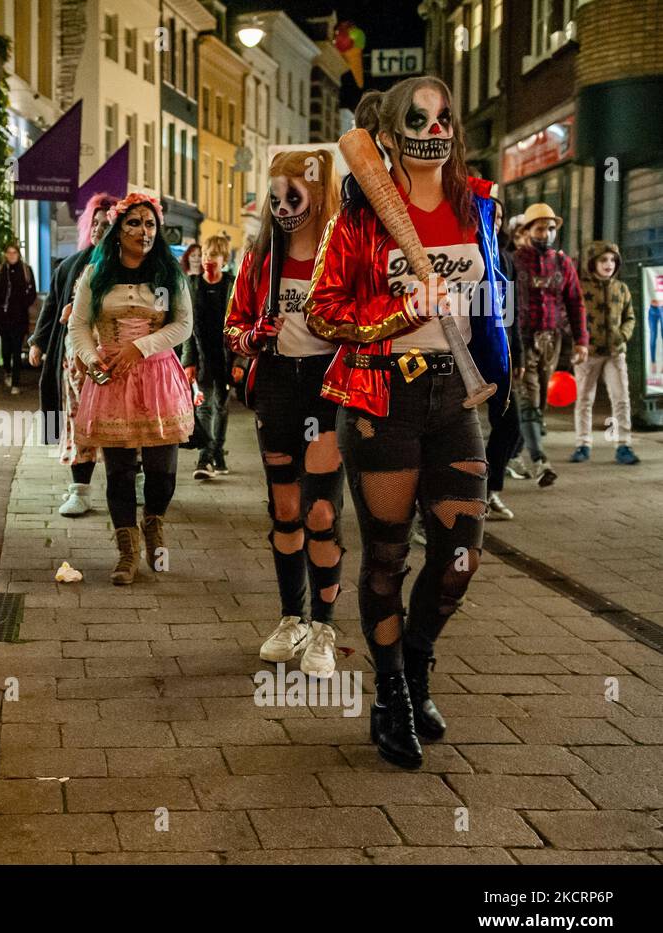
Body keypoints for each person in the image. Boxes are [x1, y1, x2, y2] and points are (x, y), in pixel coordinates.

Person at [305, 77, 510, 769]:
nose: (435, 127)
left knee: (461, 557)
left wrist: (503, 373)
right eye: (418, 117)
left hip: (456, 396)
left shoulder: (476, 206)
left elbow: (489, 305)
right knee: (387, 555)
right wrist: (402, 311)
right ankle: (392, 695)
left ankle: (416, 663)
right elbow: (322, 312)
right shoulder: (359, 217)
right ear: (390, 133)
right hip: (378, 396)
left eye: (446, 116)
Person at [226, 148, 344, 679]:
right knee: (285, 509)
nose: (282, 205)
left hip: (328, 386)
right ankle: (291, 617)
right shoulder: (260, 257)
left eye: (292, 194)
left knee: (321, 512)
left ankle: (324, 626)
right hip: (276, 384)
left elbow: (369, 315)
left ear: (318, 194)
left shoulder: (343, 251)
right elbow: (232, 326)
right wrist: (254, 337)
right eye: (274, 196)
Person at [68, 193, 194, 585]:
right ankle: (127, 553)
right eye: (134, 224)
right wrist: (92, 361)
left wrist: (140, 348)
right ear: (117, 231)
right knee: (120, 472)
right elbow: (77, 325)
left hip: (157, 376)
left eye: (151, 224)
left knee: (162, 471)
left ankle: (154, 521)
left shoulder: (167, 274)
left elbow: (182, 325)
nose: (144, 232)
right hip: (111, 380)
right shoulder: (96, 273)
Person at [28, 193, 116, 516]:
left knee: (121, 425)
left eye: (106, 224)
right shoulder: (71, 266)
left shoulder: (129, 268)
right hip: (74, 366)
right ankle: (79, 489)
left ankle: (132, 480)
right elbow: (51, 306)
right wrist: (38, 341)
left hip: (117, 363)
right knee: (79, 424)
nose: (98, 229)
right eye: (94, 222)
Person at [513, 202, 589, 487]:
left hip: (552, 341)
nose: (546, 233)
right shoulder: (515, 260)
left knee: (539, 401)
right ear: (528, 231)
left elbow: (575, 302)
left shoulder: (563, 263)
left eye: (551, 228)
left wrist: (581, 341)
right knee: (529, 398)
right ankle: (540, 461)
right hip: (523, 339)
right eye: (541, 228)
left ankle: (510, 453)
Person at [571, 241, 639, 465]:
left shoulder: (621, 289)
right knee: (584, 399)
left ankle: (623, 444)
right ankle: (583, 444)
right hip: (587, 353)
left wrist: (623, 334)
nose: (608, 264)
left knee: (621, 398)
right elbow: (570, 317)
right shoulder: (580, 288)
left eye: (612, 260)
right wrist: (579, 342)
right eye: (603, 260)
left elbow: (630, 316)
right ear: (592, 263)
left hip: (615, 352)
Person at [182, 233, 235, 480]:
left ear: (224, 258)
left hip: (226, 358)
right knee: (203, 407)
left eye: (213, 254)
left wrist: (242, 363)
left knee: (221, 407)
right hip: (202, 357)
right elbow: (187, 329)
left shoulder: (232, 285)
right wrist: (188, 361)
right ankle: (205, 457)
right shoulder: (193, 285)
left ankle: (218, 454)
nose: (207, 259)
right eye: (204, 254)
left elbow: (242, 325)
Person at [484, 222, 525, 519]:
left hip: (499, 355)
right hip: (458, 354)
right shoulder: (468, 251)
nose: (493, 221)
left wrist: (517, 355)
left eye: (499, 217)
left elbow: (512, 312)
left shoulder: (505, 259)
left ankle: (487, 491)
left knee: (511, 425)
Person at [0, 240, 38, 395]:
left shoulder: (26, 270)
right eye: (9, 253)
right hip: (4, 317)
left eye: (14, 253)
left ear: (19, 255)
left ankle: (16, 382)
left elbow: (32, 293)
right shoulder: (0, 271)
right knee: (6, 349)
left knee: (17, 349)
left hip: (19, 317)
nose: (12, 255)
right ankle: (7, 371)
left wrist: (23, 304)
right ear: (5, 255)